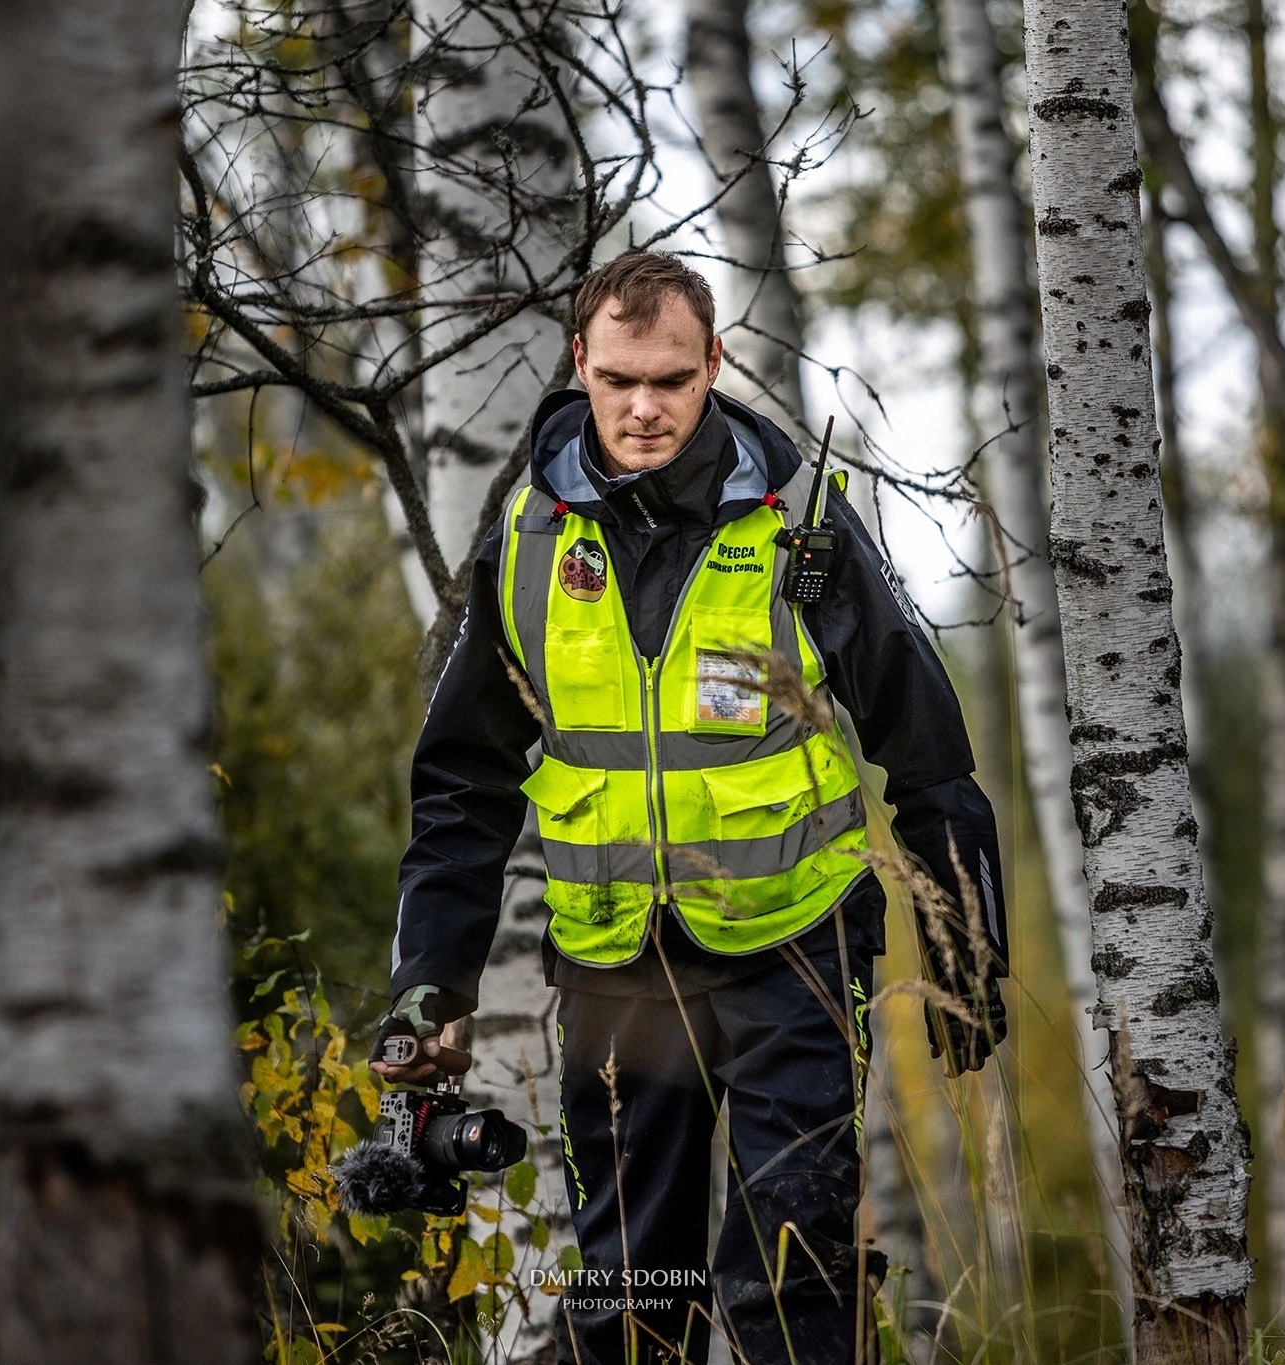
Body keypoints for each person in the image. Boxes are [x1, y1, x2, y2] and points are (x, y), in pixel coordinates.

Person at [370, 250, 1008, 1365]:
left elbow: (925, 746)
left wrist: (966, 959)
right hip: (618, 970)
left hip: (795, 957)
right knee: (634, 1291)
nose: (644, 407)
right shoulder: (526, 539)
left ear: (713, 364)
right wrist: (431, 985)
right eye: (618, 379)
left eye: (670, 378)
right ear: (580, 363)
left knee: (792, 1275)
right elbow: (460, 781)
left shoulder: (799, 528)